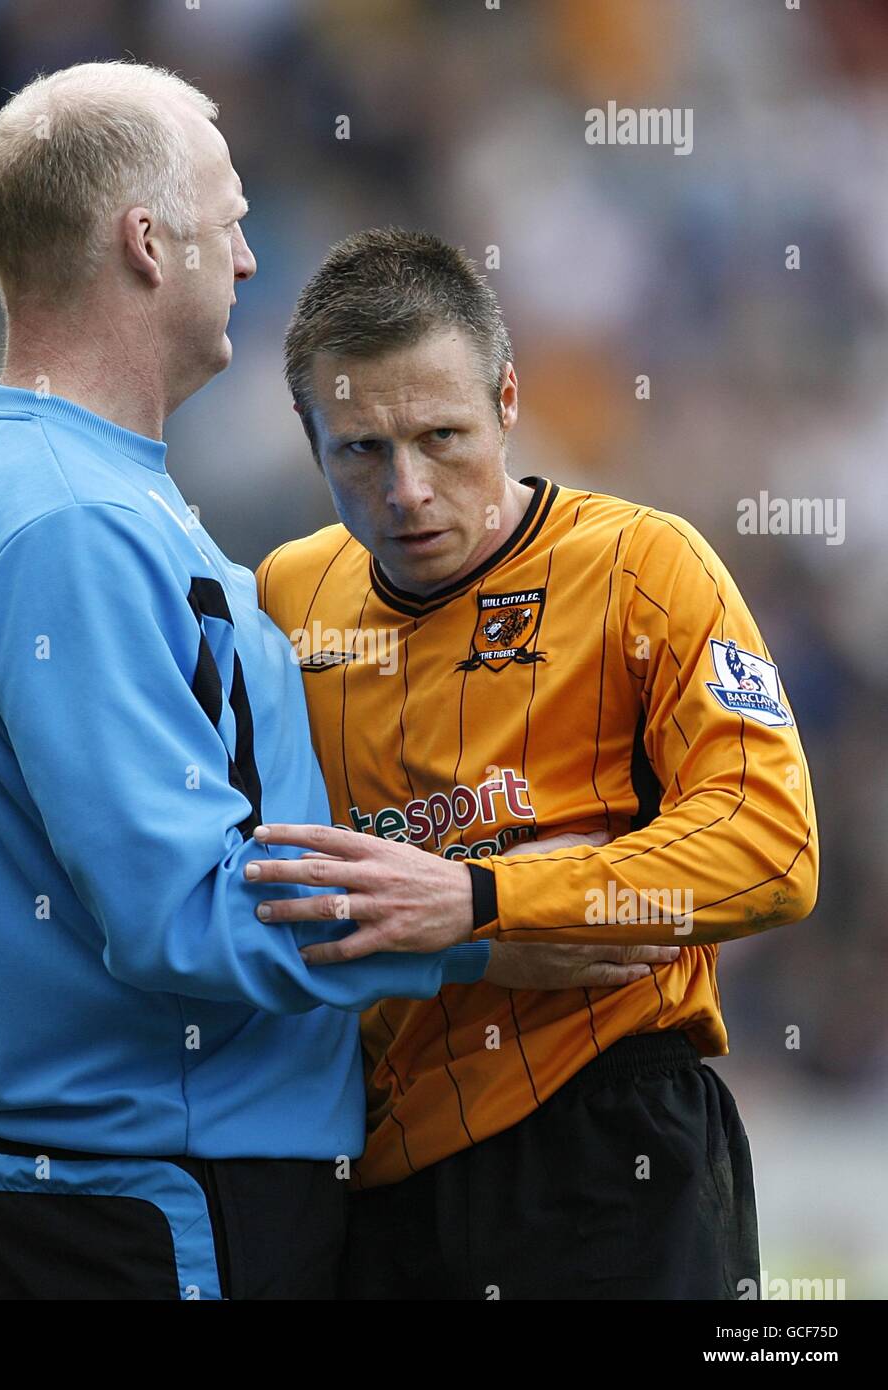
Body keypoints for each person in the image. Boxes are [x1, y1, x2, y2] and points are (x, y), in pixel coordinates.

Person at [0, 65, 504, 1302]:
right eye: (231, 222)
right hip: (170, 1181)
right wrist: (480, 926)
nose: (244, 260)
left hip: (165, 1172)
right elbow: (176, 912)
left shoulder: (79, 484)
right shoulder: (70, 521)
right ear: (145, 243)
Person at [252, 228, 819, 1299]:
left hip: (613, 1144)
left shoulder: (644, 568)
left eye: (442, 435)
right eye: (362, 450)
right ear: (306, 432)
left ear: (509, 398)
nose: (408, 490)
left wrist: (484, 898)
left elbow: (770, 845)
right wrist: (478, 936)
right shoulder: (286, 597)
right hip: (383, 1175)